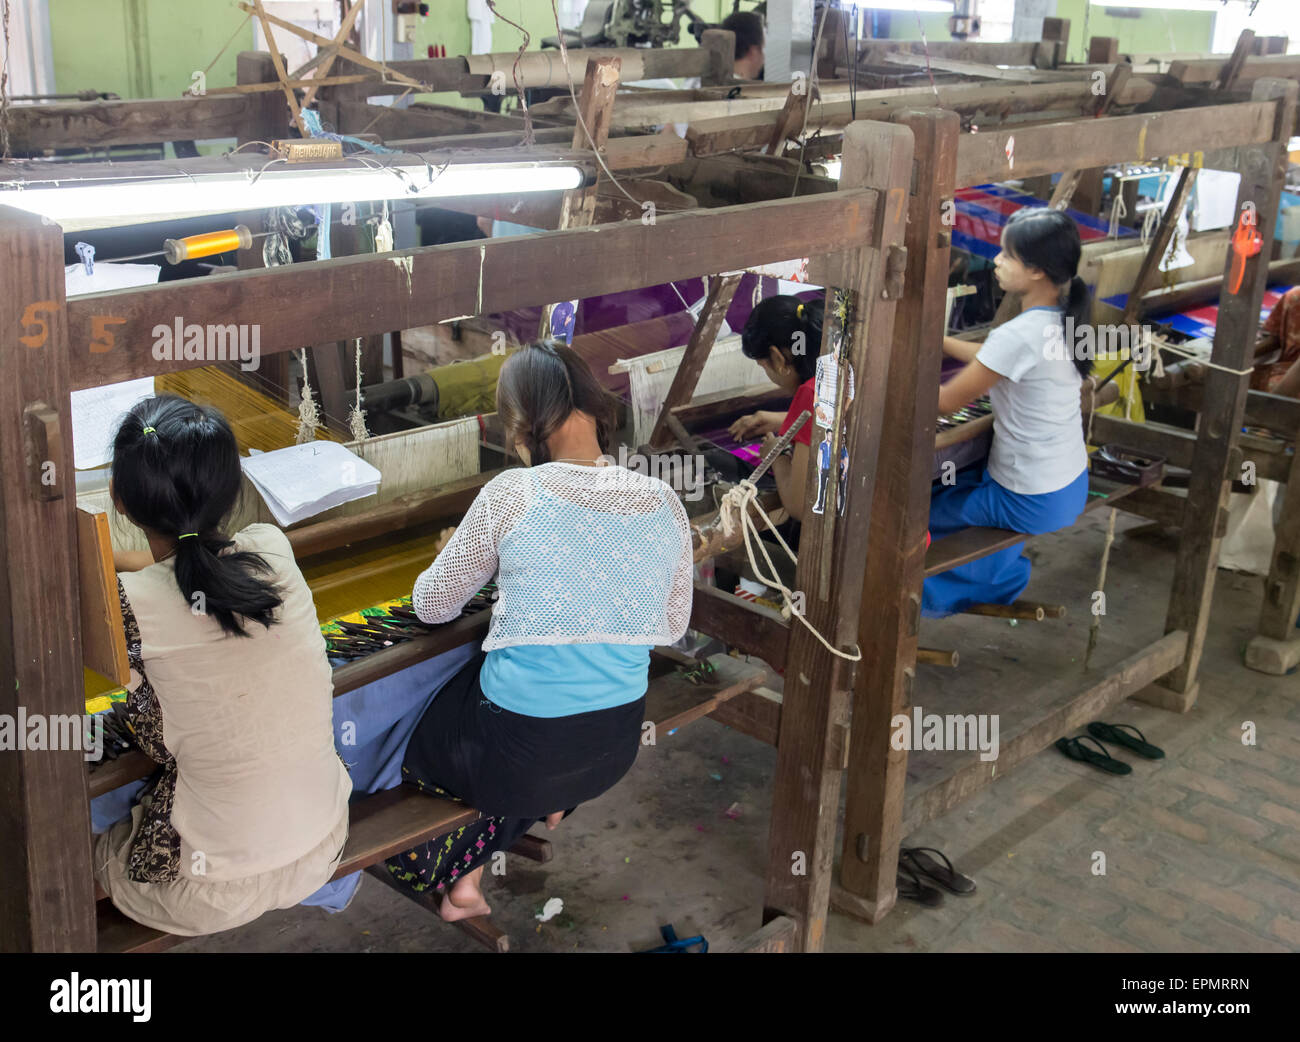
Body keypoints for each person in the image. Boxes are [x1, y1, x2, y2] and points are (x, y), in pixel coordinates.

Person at [385, 341, 694, 922]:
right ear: (594, 408)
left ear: (520, 426)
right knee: (522, 690)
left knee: (425, 721)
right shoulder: (662, 501)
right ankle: (540, 813)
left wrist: (458, 551)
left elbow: (430, 605)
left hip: (515, 756)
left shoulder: (512, 494)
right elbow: (671, 625)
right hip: (612, 749)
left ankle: (463, 855)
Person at [95, 396, 351, 935]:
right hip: (322, 846)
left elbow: (155, 738)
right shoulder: (271, 549)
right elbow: (193, 570)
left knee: (70, 843)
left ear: (118, 499)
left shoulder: (125, 605)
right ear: (233, 489)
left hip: (205, 894)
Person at [925, 208, 1093, 617]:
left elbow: (945, 403)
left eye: (1007, 255)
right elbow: (993, 356)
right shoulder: (1065, 323)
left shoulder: (1019, 334)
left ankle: (925, 603)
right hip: (1068, 486)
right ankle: (1000, 580)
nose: (996, 261)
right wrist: (936, 339)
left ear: (1036, 271)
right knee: (963, 480)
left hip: (1030, 499)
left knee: (917, 518)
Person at [729, 294, 823, 522]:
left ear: (777, 358)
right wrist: (783, 421)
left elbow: (800, 507)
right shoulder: (834, 370)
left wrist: (777, 454)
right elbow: (832, 425)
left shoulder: (811, 393)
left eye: (763, 365)